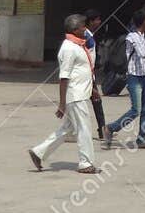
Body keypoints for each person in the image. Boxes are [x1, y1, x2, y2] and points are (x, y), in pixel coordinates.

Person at [28, 14, 100, 175]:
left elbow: (84, 70)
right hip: (75, 96)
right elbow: (64, 77)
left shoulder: (78, 45)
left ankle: (39, 152)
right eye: (82, 26)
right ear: (74, 29)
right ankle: (85, 163)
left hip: (81, 93)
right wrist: (61, 104)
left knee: (68, 128)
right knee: (84, 129)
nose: (85, 29)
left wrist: (92, 89)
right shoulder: (69, 48)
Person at [105, 9, 145, 149]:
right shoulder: (132, 37)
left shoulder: (143, 37)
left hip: (144, 75)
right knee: (136, 110)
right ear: (143, 21)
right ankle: (111, 128)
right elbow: (143, 53)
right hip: (134, 77)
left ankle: (142, 139)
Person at [83, 10, 107, 136]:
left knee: (96, 101)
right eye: (97, 19)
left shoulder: (89, 35)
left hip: (90, 74)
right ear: (91, 21)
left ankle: (102, 129)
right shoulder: (86, 36)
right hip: (86, 74)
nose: (99, 22)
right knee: (93, 101)